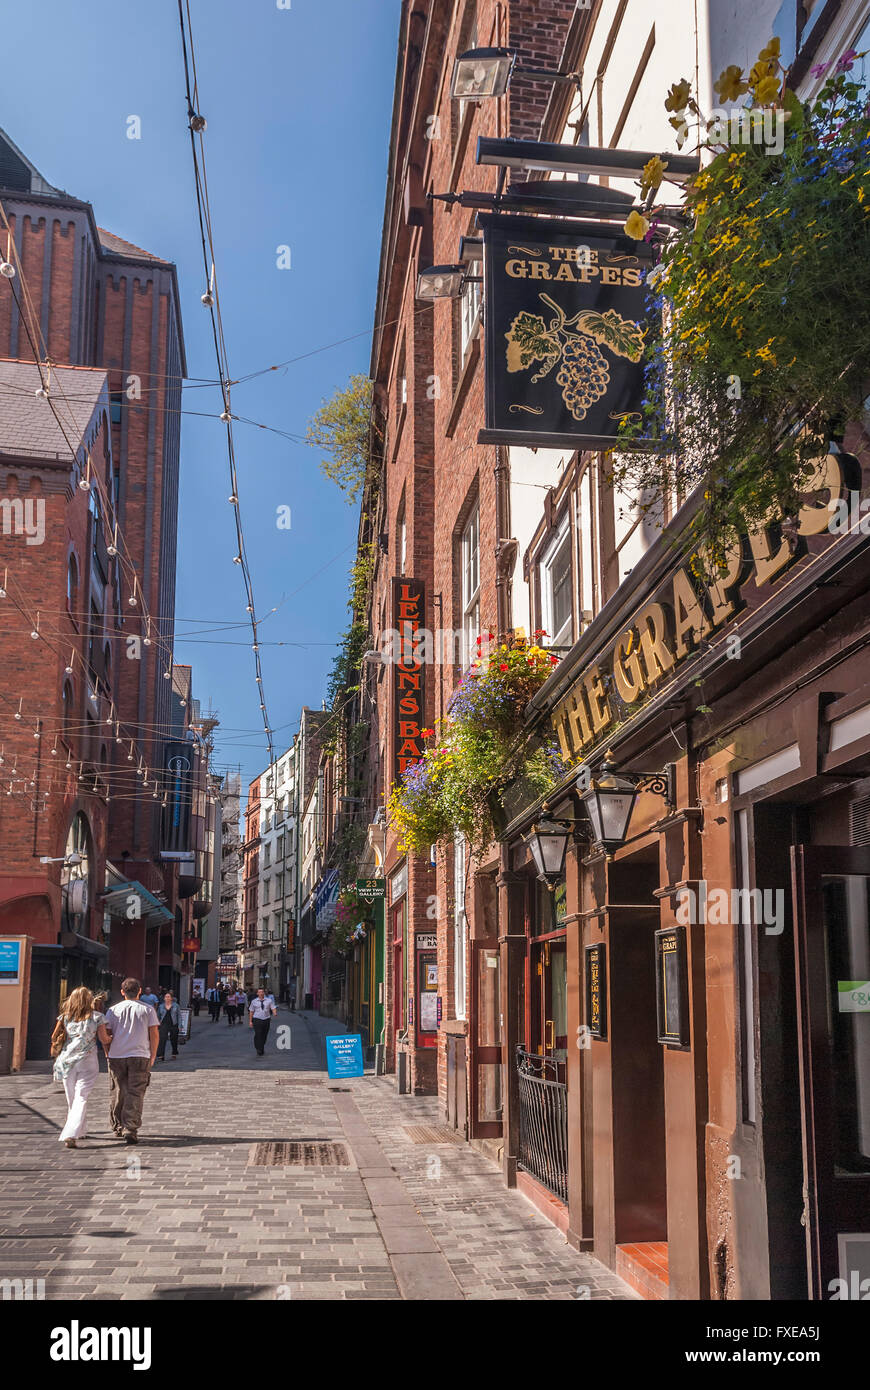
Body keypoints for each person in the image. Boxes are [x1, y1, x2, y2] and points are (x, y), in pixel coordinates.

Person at [52, 987, 112, 1149]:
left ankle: (80, 1130)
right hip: (87, 1060)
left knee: (72, 1099)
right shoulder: (97, 1017)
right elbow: (104, 1039)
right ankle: (71, 1133)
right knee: (81, 1097)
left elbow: (54, 1037)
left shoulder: (64, 1017)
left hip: (66, 1061)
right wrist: (112, 1038)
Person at [103, 978, 159, 1144]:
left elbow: (106, 1034)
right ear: (140, 991)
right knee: (136, 1092)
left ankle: (118, 1125)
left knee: (118, 1090)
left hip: (117, 1055)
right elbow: (154, 1034)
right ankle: (130, 1127)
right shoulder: (148, 1010)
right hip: (140, 1055)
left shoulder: (113, 1010)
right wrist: (153, 1055)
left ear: (122, 992)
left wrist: (107, 1052)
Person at [248, 987, 277, 1056]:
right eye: (259, 992)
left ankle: (261, 1046)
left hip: (266, 1019)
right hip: (257, 1019)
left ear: (264, 993)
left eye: (262, 992)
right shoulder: (254, 1001)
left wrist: (274, 1013)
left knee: (264, 1035)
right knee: (258, 1034)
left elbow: (273, 1007)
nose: (261, 993)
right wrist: (250, 1021)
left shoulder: (269, 1000)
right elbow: (251, 1011)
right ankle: (259, 1049)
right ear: (257, 993)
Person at [157, 992, 180, 1061]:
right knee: (162, 1039)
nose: (167, 998)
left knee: (174, 1039)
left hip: (173, 1024)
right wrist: (157, 1024)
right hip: (164, 1024)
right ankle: (161, 1055)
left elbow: (179, 1016)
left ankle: (174, 1053)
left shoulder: (176, 1005)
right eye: (166, 997)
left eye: (169, 997)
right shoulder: (161, 1006)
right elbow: (158, 1016)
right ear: (164, 998)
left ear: (171, 998)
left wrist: (180, 1025)